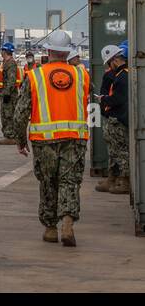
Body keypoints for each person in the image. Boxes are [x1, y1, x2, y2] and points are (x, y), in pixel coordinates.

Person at [16, 30, 89, 247]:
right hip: (74, 137)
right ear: (67, 52)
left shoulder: (34, 76)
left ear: (48, 51)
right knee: (70, 181)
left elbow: (20, 113)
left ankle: (50, 228)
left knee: (48, 182)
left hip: (44, 139)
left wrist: (20, 140)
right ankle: (67, 222)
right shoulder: (82, 75)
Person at [95, 43, 130, 195]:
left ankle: (125, 181)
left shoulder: (122, 77)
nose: (109, 67)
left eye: (109, 63)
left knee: (121, 151)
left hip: (119, 119)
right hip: (117, 118)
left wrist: (104, 99)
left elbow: (118, 99)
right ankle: (113, 178)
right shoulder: (121, 74)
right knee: (115, 151)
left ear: (115, 60)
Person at [0, 41, 22, 144]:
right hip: (5, 93)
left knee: (8, 115)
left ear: (5, 51)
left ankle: (10, 137)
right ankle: (9, 135)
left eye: (2, 50)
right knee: (5, 114)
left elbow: (11, 80)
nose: (1, 52)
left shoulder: (10, 63)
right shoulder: (6, 62)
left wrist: (6, 93)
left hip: (9, 95)